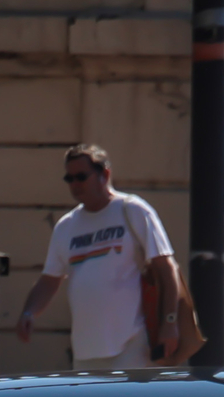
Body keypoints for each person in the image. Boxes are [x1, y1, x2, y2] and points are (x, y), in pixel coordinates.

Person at [14, 143, 179, 370]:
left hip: (131, 346)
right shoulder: (66, 226)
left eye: (81, 177)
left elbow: (166, 268)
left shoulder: (132, 210)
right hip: (85, 351)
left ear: (105, 174)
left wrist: (170, 323)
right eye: (69, 179)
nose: (75, 185)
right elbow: (50, 278)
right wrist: (29, 311)